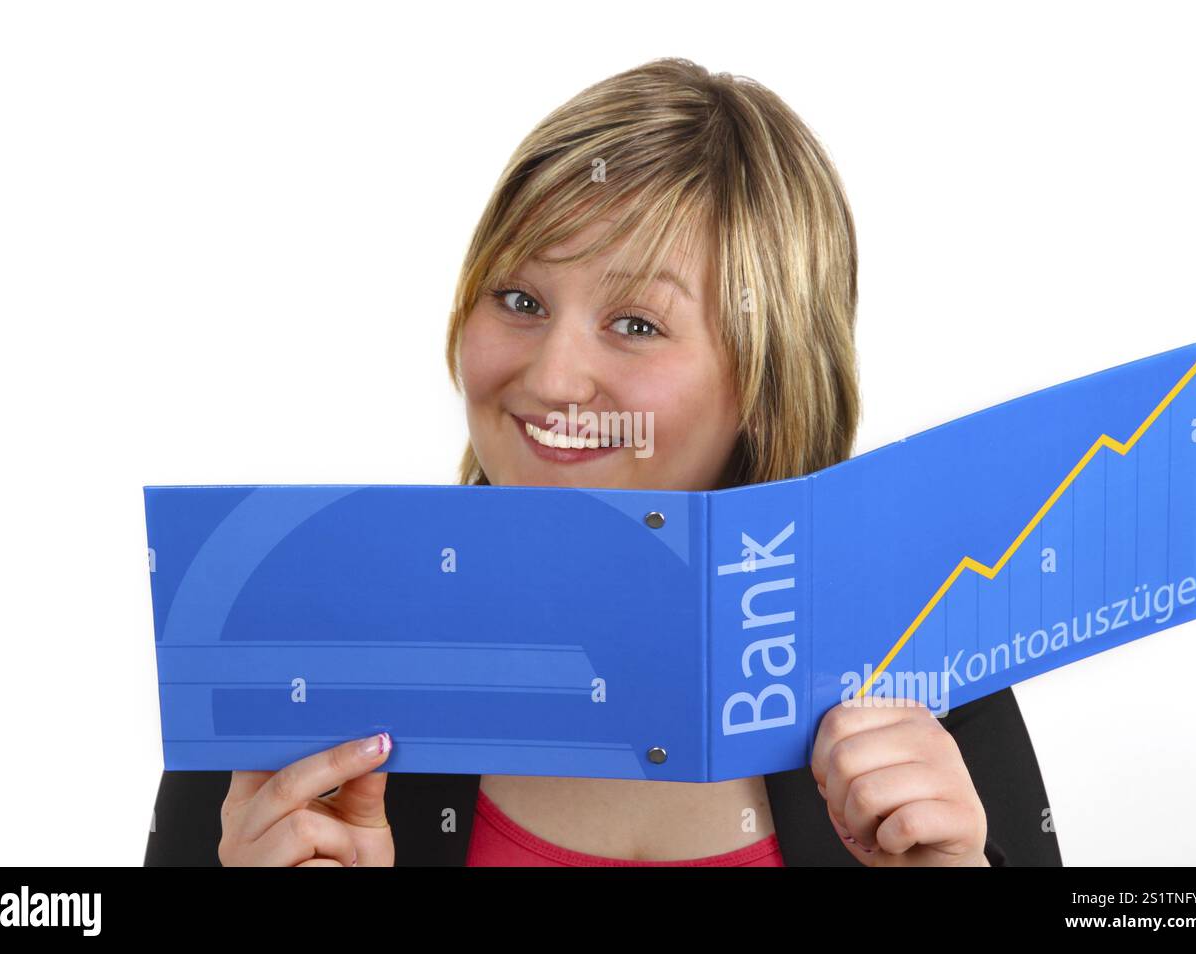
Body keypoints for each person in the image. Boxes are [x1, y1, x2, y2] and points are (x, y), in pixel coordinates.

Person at [144, 57, 1062, 867]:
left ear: (767, 376)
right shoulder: (298, 651)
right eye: (518, 298)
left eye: (636, 324)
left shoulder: (925, 664)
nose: (551, 378)